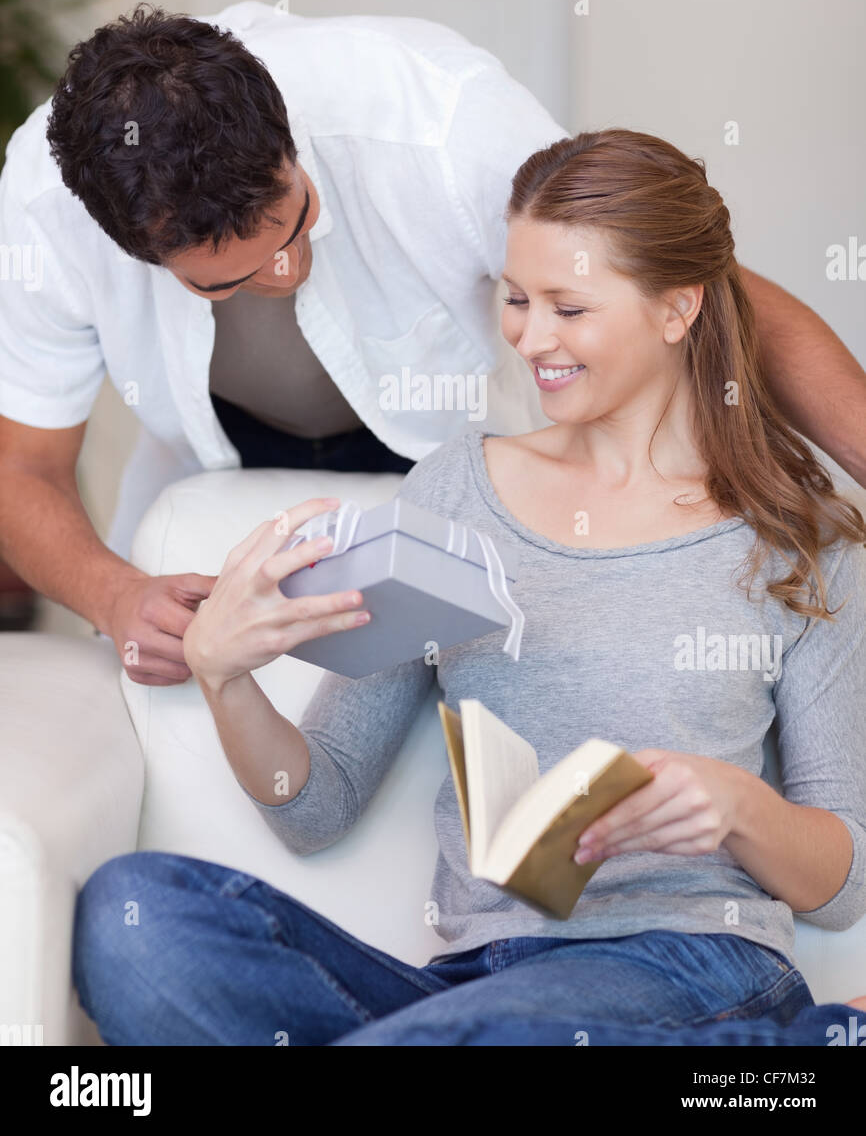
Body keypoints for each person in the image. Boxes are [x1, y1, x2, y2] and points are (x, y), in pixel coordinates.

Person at [73, 128, 866, 1046]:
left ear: (676, 308)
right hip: (467, 988)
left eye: (570, 308)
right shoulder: (454, 490)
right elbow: (317, 802)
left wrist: (738, 804)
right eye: (518, 299)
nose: (532, 337)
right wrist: (225, 675)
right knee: (137, 919)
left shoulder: (801, 536)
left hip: (690, 966)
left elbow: (839, 887)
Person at [1, 3, 865, 687]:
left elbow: (711, 295)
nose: (289, 269)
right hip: (209, 473)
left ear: (287, 138)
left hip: (439, 454)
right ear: (133, 249)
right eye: (230, 278)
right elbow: (22, 467)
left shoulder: (442, 123)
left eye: (293, 223)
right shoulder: (47, 211)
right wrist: (116, 597)